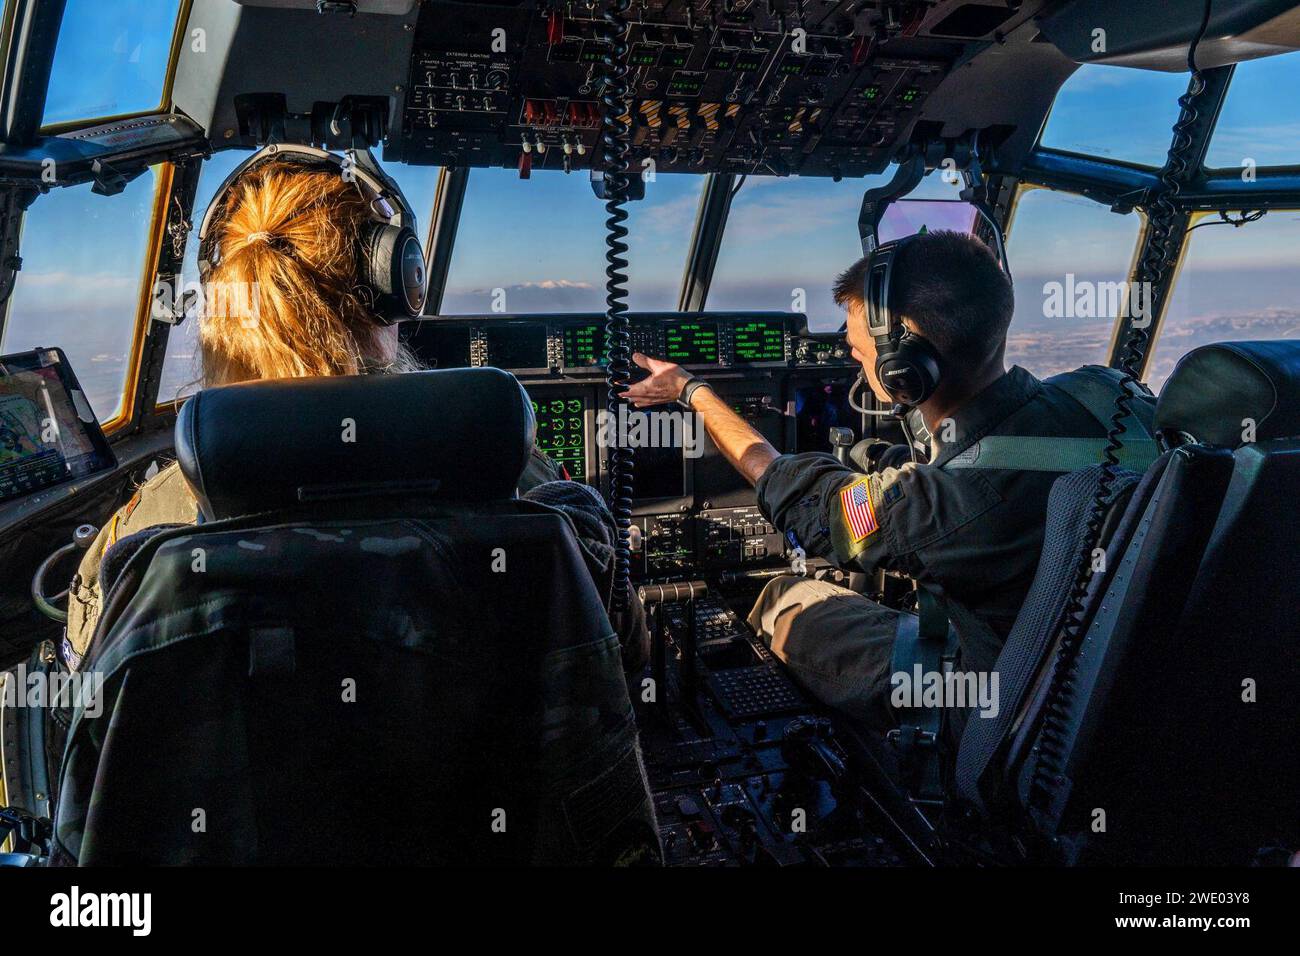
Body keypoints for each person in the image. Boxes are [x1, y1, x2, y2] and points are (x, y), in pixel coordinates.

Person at [64, 150, 643, 672]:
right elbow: (620, 651)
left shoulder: (144, 542)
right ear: (398, 282)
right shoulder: (510, 469)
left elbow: (91, 710)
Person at [623, 229, 1155, 733]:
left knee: (784, 596)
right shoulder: (1106, 394)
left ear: (906, 364)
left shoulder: (945, 505)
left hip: (997, 710)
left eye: (859, 347)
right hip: (1124, 689)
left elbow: (799, 496)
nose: (854, 356)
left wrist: (693, 392)